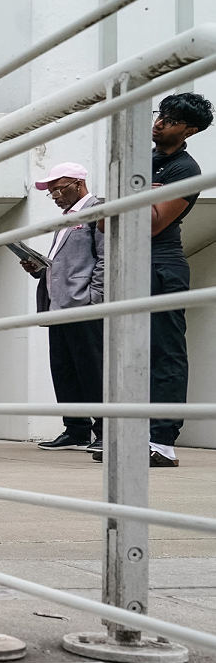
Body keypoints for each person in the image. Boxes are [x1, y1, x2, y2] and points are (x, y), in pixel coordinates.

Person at [121, 91, 212, 469]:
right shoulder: (144, 160)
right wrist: (143, 193)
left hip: (163, 266)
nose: (159, 123)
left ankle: (162, 442)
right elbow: (110, 219)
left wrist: (134, 194)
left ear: (190, 130)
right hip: (130, 266)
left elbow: (153, 224)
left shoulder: (186, 170)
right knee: (130, 353)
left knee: (165, 353)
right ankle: (133, 436)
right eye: (160, 115)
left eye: (171, 120)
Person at [19, 163, 104, 452]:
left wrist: (95, 297)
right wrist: (39, 268)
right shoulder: (67, 218)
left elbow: (106, 257)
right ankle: (76, 429)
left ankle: (105, 429)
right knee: (64, 369)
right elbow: (65, 264)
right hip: (59, 305)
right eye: (51, 191)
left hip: (83, 305)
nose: (55, 196)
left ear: (79, 184)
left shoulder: (97, 210)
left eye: (59, 189)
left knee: (92, 368)